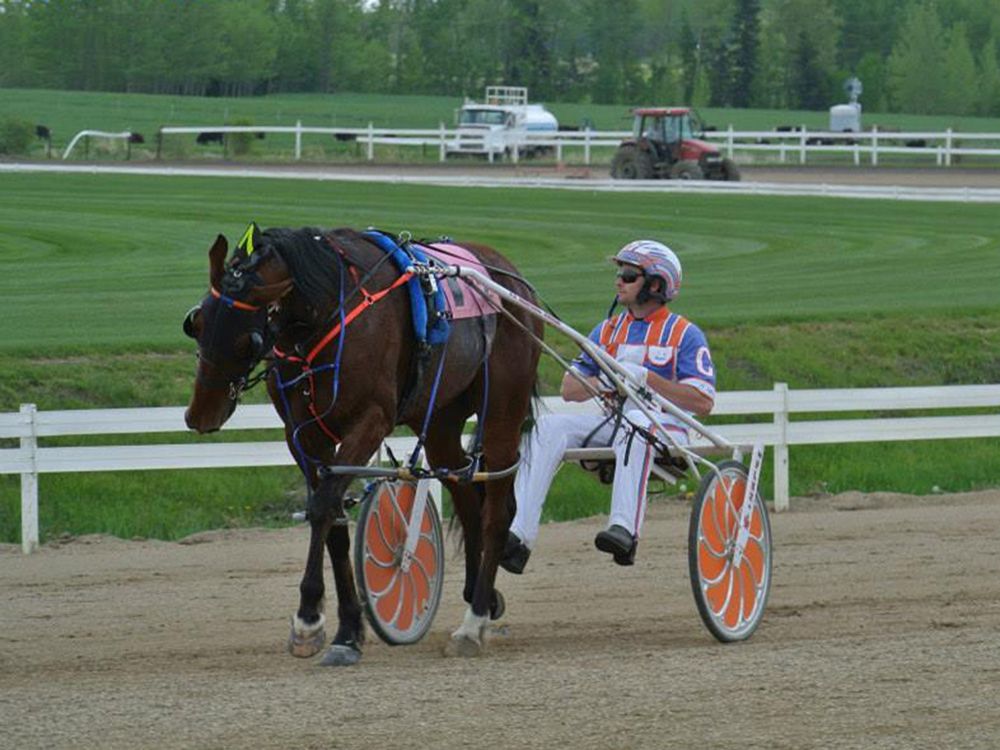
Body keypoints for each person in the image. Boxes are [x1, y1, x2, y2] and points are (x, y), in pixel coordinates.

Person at [501, 240, 716, 571]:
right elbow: (570, 389)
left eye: (629, 275)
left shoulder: (685, 334)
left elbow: (703, 401)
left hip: (665, 428)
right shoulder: (607, 331)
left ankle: (624, 531)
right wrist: (606, 382)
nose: (619, 281)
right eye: (619, 273)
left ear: (657, 284)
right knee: (547, 427)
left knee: (637, 424)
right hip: (614, 425)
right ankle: (519, 535)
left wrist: (647, 380)